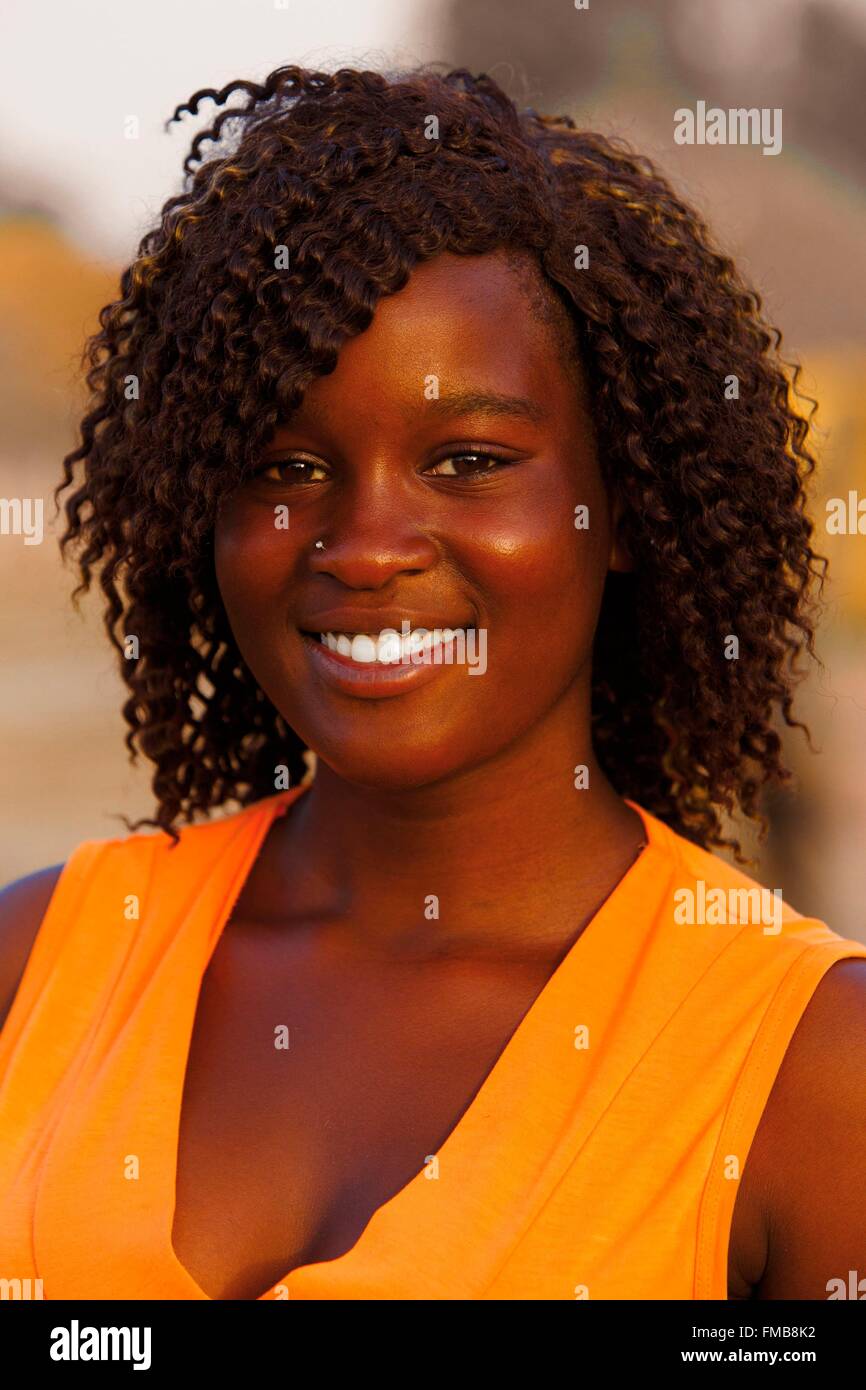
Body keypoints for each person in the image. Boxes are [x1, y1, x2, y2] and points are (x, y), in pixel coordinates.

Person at [1, 63, 865, 1302]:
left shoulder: (804, 1071)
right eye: (284, 467)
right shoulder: (35, 963)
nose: (361, 546)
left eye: (467, 459)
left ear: (619, 506)